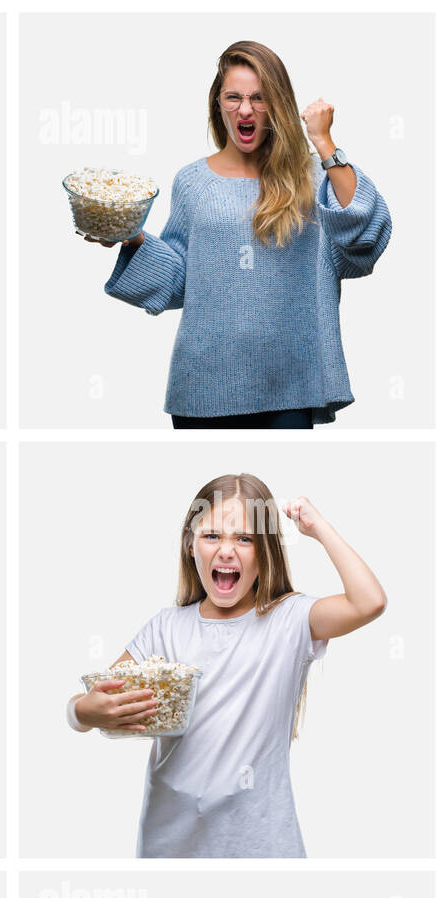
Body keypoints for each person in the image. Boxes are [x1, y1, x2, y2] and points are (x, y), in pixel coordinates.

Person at [67, 473, 385, 856]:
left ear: (264, 550)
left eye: (245, 539)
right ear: (190, 543)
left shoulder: (289, 620)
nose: (227, 551)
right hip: (170, 846)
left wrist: (319, 528)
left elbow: (369, 602)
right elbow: (95, 698)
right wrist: (82, 713)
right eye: (212, 535)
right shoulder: (166, 628)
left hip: (263, 846)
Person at [87, 40, 391, 427]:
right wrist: (133, 237)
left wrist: (324, 143)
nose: (245, 109)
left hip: (291, 383)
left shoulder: (312, 177)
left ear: (276, 106)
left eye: (259, 98)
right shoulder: (193, 181)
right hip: (202, 386)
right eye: (234, 97)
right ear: (218, 103)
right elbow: (183, 282)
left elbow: (365, 237)